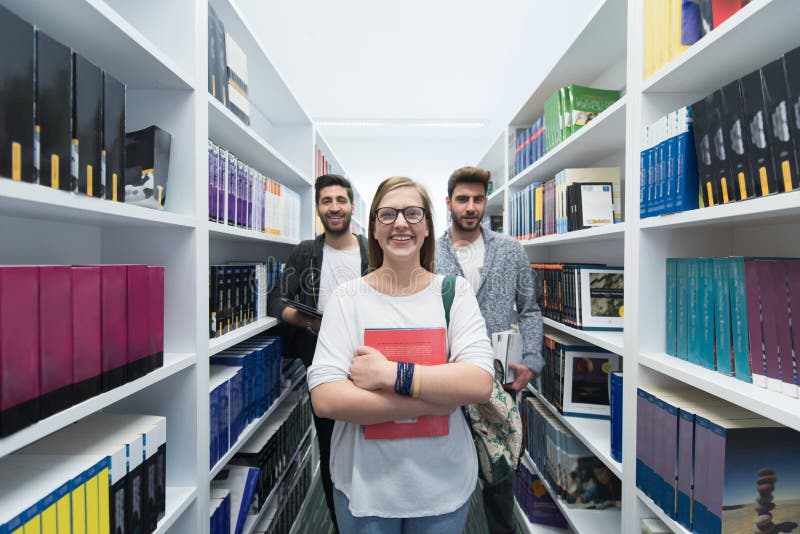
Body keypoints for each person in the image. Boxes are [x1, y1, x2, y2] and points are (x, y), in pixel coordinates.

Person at [307, 176, 495, 532]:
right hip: (366, 491)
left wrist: (390, 375)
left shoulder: (455, 293)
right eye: (388, 214)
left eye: (412, 213)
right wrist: (436, 398)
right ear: (374, 229)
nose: (401, 223)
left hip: (443, 487)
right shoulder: (347, 298)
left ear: (426, 226)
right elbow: (327, 399)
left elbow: (479, 383)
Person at [435, 165, 544, 534]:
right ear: (448, 202)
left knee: (499, 475)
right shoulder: (428, 253)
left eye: (478, 199)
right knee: (446, 469)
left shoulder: (511, 251)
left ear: (486, 202)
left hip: (500, 379)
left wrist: (532, 359)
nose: (470, 207)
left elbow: (529, 309)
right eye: (462, 199)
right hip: (446, 376)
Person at [266, 174, 368, 533]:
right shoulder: (305, 251)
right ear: (319, 208)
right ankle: (341, 523)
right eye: (327, 201)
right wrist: (312, 323)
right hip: (321, 363)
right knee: (330, 449)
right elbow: (275, 301)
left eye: (341, 200)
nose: (335, 207)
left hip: (368, 361)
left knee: (371, 443)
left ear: (352, 206)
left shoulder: (373, 250)